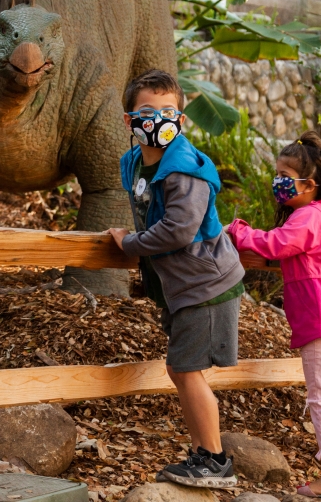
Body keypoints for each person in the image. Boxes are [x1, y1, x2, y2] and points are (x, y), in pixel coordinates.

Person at [107, 69, 245, 489]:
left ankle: (215, 460)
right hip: (185, 287)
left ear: (181, 121)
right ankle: (206, 454)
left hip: (207, 285)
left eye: (169, 112)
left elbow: (180, 229)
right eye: (147, 111)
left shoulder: (185, 168)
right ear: (130, 120)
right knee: (181, 370)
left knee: (184, 370)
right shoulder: (136, 163)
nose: (159, 120)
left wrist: (129, 244)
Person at [228, 131, 321, 501]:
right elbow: (288, 251)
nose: (278, 182)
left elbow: (276, 243)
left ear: (310, 184)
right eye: (277, 173)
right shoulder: (317, 218)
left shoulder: (309, 217)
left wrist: (236, 230)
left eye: (285, 175)